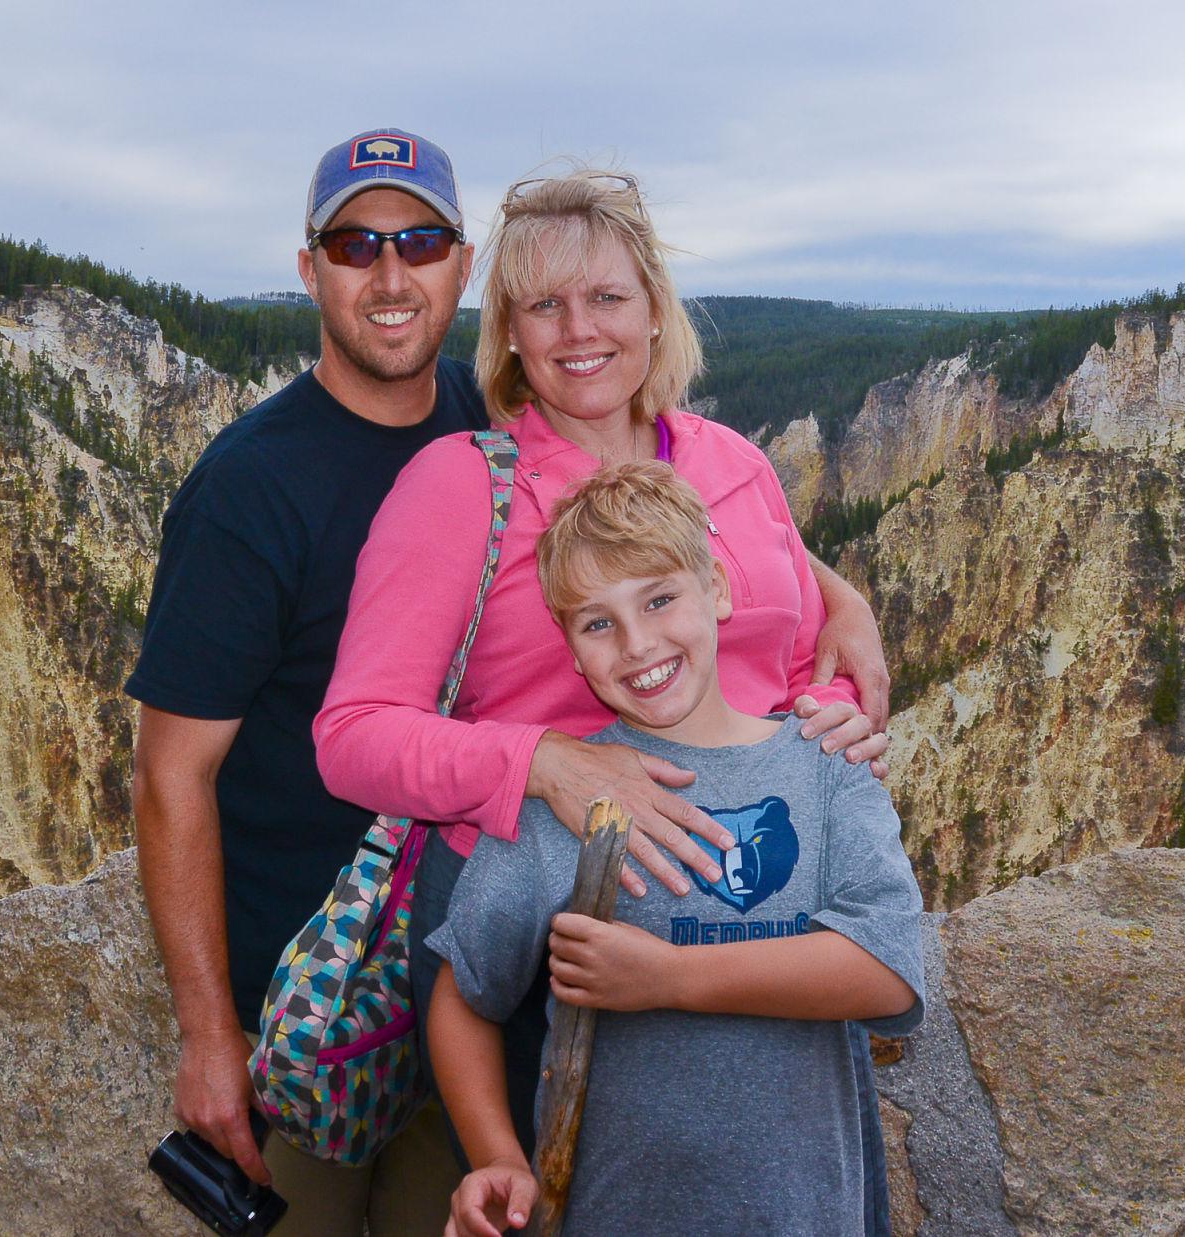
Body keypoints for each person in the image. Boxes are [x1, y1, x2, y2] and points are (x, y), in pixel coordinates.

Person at [130, 134, 887, 1232]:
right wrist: (548, 762)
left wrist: (844, 650)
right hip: (551, 941)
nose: (579, 331)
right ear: (509, 331)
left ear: (656, 307)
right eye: (543, 307)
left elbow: (779, 617)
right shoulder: (452, 479)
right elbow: (329, 738)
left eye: (607, 297)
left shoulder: (731, 464)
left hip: (771, 922)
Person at [126, 127, 487, 1235]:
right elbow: (171, 774)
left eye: (420, 242)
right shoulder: (249, 488)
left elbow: (651, 496)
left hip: (464, 995)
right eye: (354, 245)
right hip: (303, 1017)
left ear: (464, 265)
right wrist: (208, 1035)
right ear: (309, 270)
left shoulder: (492, 417)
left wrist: (833, 595)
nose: (391, 274)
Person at [426, 461, 925, 1236]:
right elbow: (464, 993)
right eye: (597, 623)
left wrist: (667, 976)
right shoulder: (569, 795)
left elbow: (887, 970)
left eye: (660, 599)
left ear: (717, 589)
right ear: (571, 648)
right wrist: (497, 1155)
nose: (637, 644)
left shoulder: (828, 764)